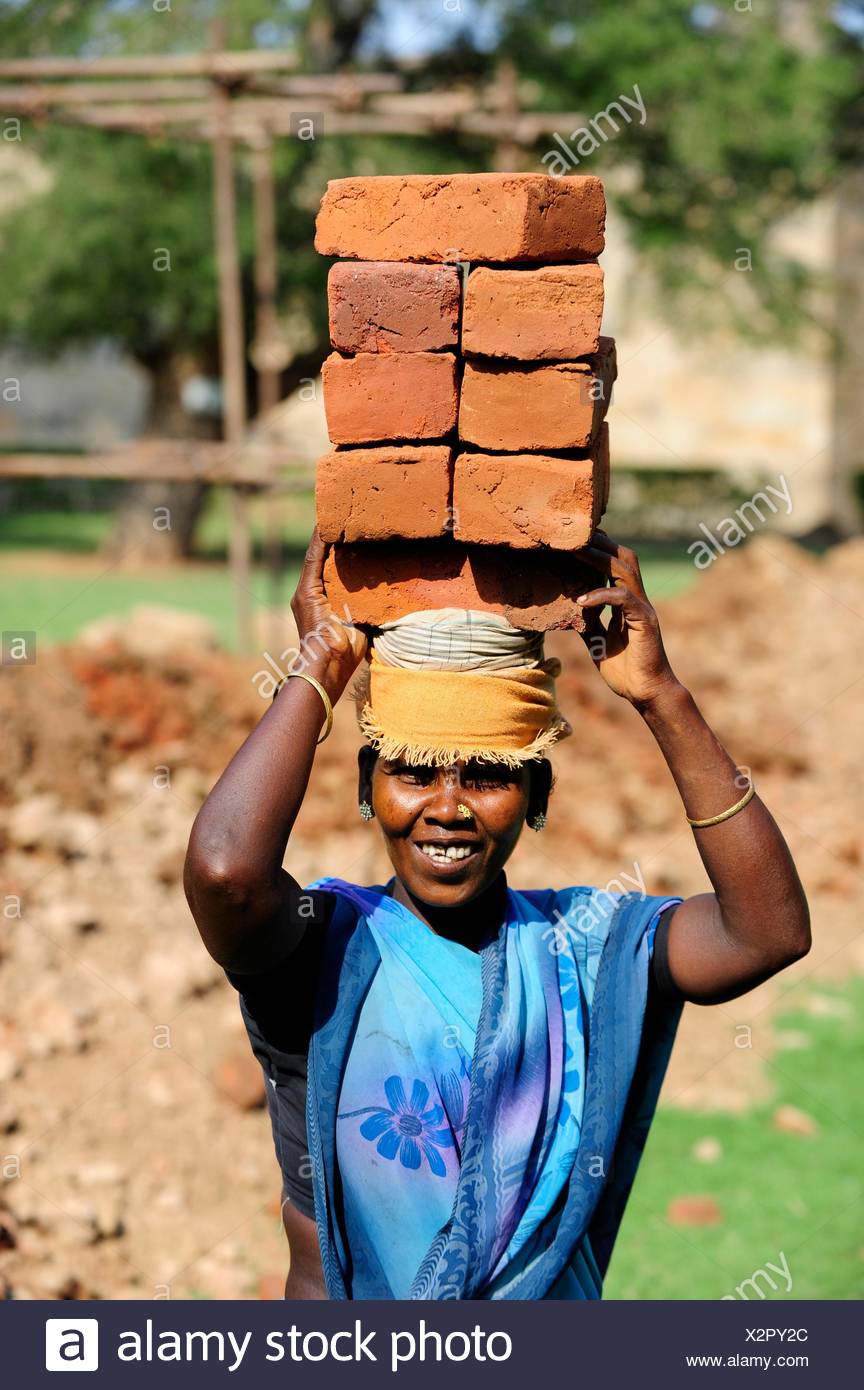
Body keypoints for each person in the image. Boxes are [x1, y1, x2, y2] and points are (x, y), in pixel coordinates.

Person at [184, 527, 809, 1300]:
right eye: (413, 773)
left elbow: (767, 932)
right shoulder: (323, 951)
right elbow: (224, 872)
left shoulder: (581, 949)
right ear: (366, 786)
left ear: (538, 796)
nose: (448, 808)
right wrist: (317, 669)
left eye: (488, 776)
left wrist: (662, 697)